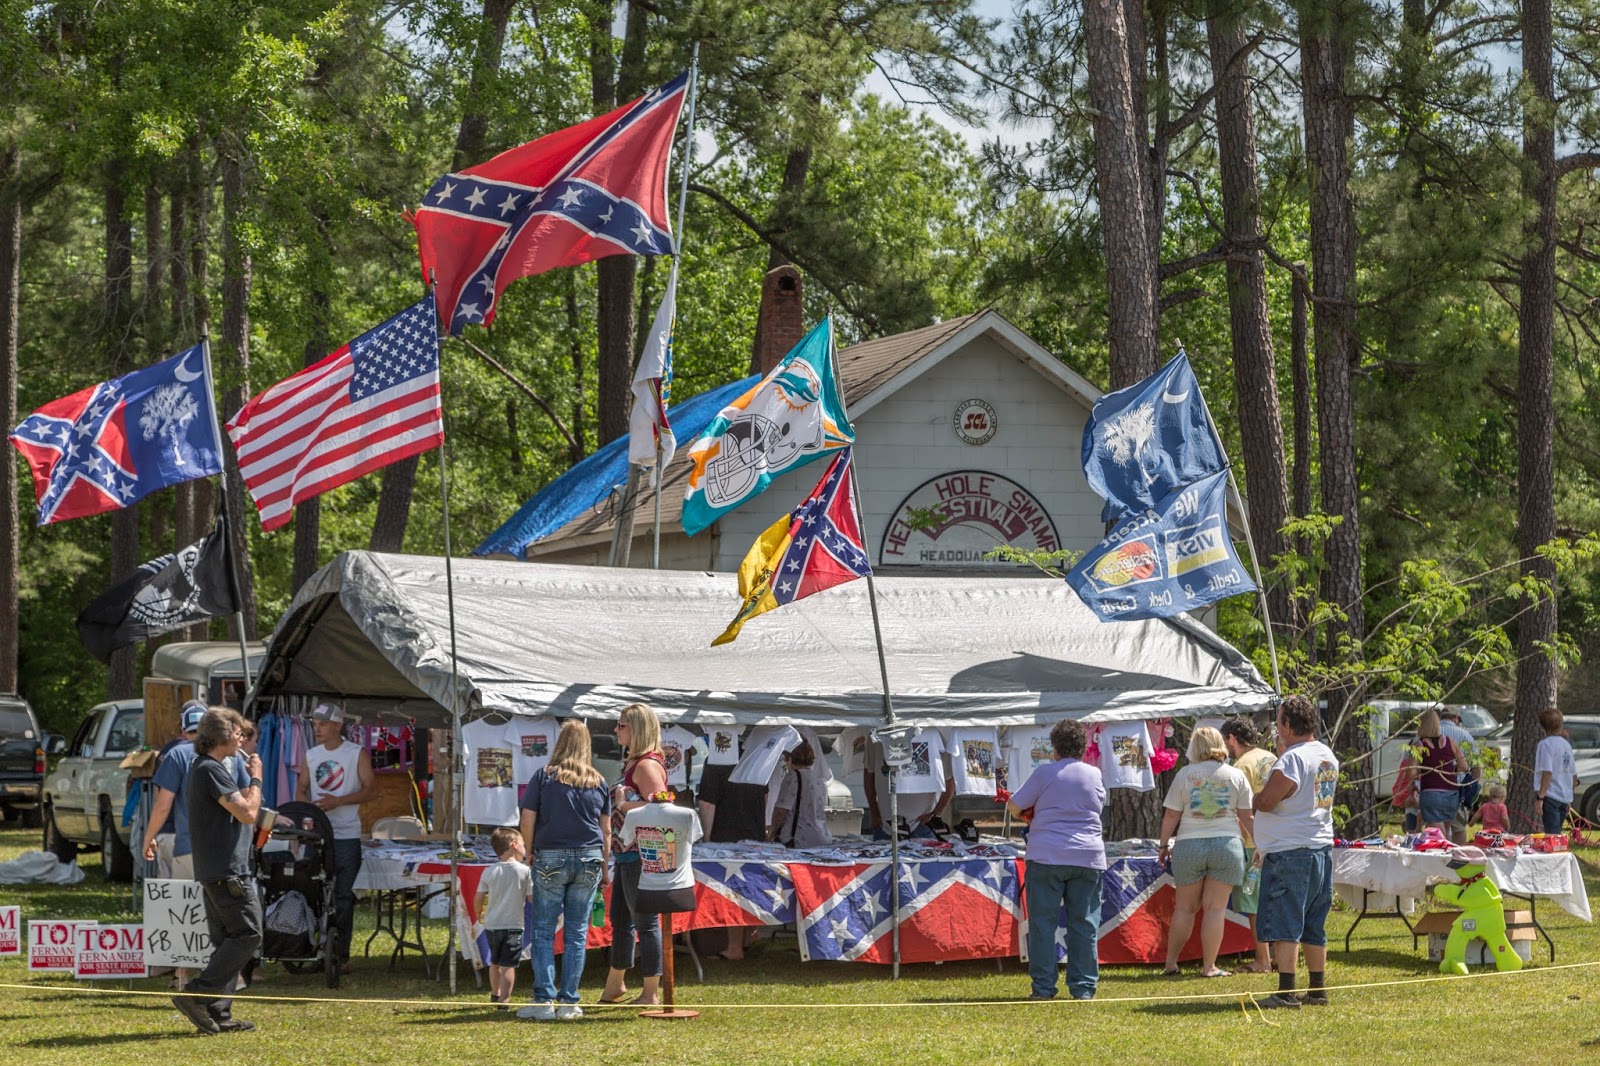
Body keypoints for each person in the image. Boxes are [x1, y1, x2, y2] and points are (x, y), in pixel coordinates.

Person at [172, 708, 263, 1036]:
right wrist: (256, 777)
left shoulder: (210, 768)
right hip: (226, 870)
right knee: (249, 934)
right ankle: (197, 994)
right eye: (237, 731)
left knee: (228, 938)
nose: (242, 737)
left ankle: (218, 1014)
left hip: (218, 868)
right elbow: (248, 812)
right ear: (223, 734)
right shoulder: (210, 769)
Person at [1005, 718, 1106, 1002]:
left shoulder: (1044, 773)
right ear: (1083, 747)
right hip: (1087, 856)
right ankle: (1084, 988)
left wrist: (1027, 814)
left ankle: (1043, 988)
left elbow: (1014, 804)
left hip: (1046, 853)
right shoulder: (1095, 774)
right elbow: (1098, 806)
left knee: (1042, 925)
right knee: (1084, 925)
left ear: (1054, 748)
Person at [1252, 694, 1340, 1010]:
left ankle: (1286, 991)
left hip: (1291, 852)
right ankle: (1317, 988)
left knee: (1285, 921)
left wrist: (1255, 800)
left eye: (1278, 722)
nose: (1277, 728)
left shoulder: (1292, 759)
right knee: (1314, 922)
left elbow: (1268, 800)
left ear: (1288, 724)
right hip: (1320, 848)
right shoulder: (1327, 754)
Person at [518, 719, 611, 1022]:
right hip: (589, 857)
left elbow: (527, 817)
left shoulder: (543, 777)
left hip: (550, 856)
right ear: (588, 746)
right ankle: (569, 1002)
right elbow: (606, 830)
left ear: (559, 743)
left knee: (543, 930)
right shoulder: (599, 781)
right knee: (576, 932)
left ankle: (544, 1000)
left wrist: (528, 851)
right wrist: (605, 865)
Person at [1158, 726, 1254, 978]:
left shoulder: (1185, 775)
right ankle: (1209, 966)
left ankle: (1171, 963)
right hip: (1226, 845)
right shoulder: (1236, 775)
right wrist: (1261, 845)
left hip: (1189, 844)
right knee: (1215, 909)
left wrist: (1163, 844)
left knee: (1184, 908)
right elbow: (1247, 817)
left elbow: (1171, 814)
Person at [296, 702, 375, 976]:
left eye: (322, 724)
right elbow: (302, 789)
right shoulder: (312, 754)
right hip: (318, 836)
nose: (317, 728)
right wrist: (310, 813)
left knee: (342, 897)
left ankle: (341, 955)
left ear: (338, 726)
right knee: (314, 894)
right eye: (315, 724)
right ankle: (313, 949)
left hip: (345, 835)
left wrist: (339, 801)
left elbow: (371, 791)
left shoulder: (356, 754)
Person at [600, 703, 669, 1007]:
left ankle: (651, 992)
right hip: (627, 855)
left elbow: (662, 806)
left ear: (637, 729)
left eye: (621, 725)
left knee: (644, 923)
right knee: (621, 921)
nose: (616, 730)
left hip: (641, 856)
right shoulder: (634, 763)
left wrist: (623, 805)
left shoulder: (646, 765)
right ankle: (615, 985)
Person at [1220, 716, 1276, 973]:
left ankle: (1262, 960)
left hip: (1253, 841)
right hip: (1277, 837)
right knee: (1274, 900)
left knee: (1253, 902)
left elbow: (1240, 810)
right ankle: (1276, 955)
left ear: (1231, 738)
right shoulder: (1271, 757)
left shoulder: (1240, 766)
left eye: (1225, 741)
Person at [142, 704, 207, 880]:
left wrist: (149, 837)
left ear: (183, 729)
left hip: (180, 841)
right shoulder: (228, 754)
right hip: (220, 849)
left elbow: (162, 803)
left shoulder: (175, 754)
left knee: (178, 904)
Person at [475, 826, 531, 1011]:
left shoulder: (489, 871)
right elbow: (532, 898)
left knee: (495, 962)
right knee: (508, 965)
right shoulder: (525, 872)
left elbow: (479, 897)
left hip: (492, 924)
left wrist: (478, 914)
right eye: (523, 844)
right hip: (514, 925)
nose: (525, 848)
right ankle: (505, 1000)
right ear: (514, 845)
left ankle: (495, 993)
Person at [1402, 710, 1466, 836]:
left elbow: (1411, 773)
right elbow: (1464, 766)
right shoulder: (1451, 742)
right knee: (1446, 832)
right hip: (1451, 794)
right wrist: (1449, 770)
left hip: (1431, 794)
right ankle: (1449, 854)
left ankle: (1443, 854)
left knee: (1437, 835)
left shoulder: (1419, 745)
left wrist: (1421, 773)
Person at [768, 738, 832, 849]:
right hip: (821, 835)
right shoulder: (819, 779)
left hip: (799, 838)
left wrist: (770, 834)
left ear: (790, 758)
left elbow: (781, 811)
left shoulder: (793, 777)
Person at [1439, 707, 1482, 841]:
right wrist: (1473, 785)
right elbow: (1475, 766)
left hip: (1431, 787)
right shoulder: (1465, 735)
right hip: (1457, 786)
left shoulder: (1428, 732)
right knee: (1458, 828)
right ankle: (1459, 857)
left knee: (1435, 826)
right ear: (1456, 718)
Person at [1535, 708, 1580, 835]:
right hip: (1564, 796)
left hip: (1551, 795)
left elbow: (1547, 771)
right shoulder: (1566, 745)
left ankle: (1556, 853)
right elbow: (1574, 774)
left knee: (1552, 835)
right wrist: (1569, 797)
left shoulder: (1545, 745)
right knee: (1556, 833)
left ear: (1543, 726)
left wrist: (1540, 797)